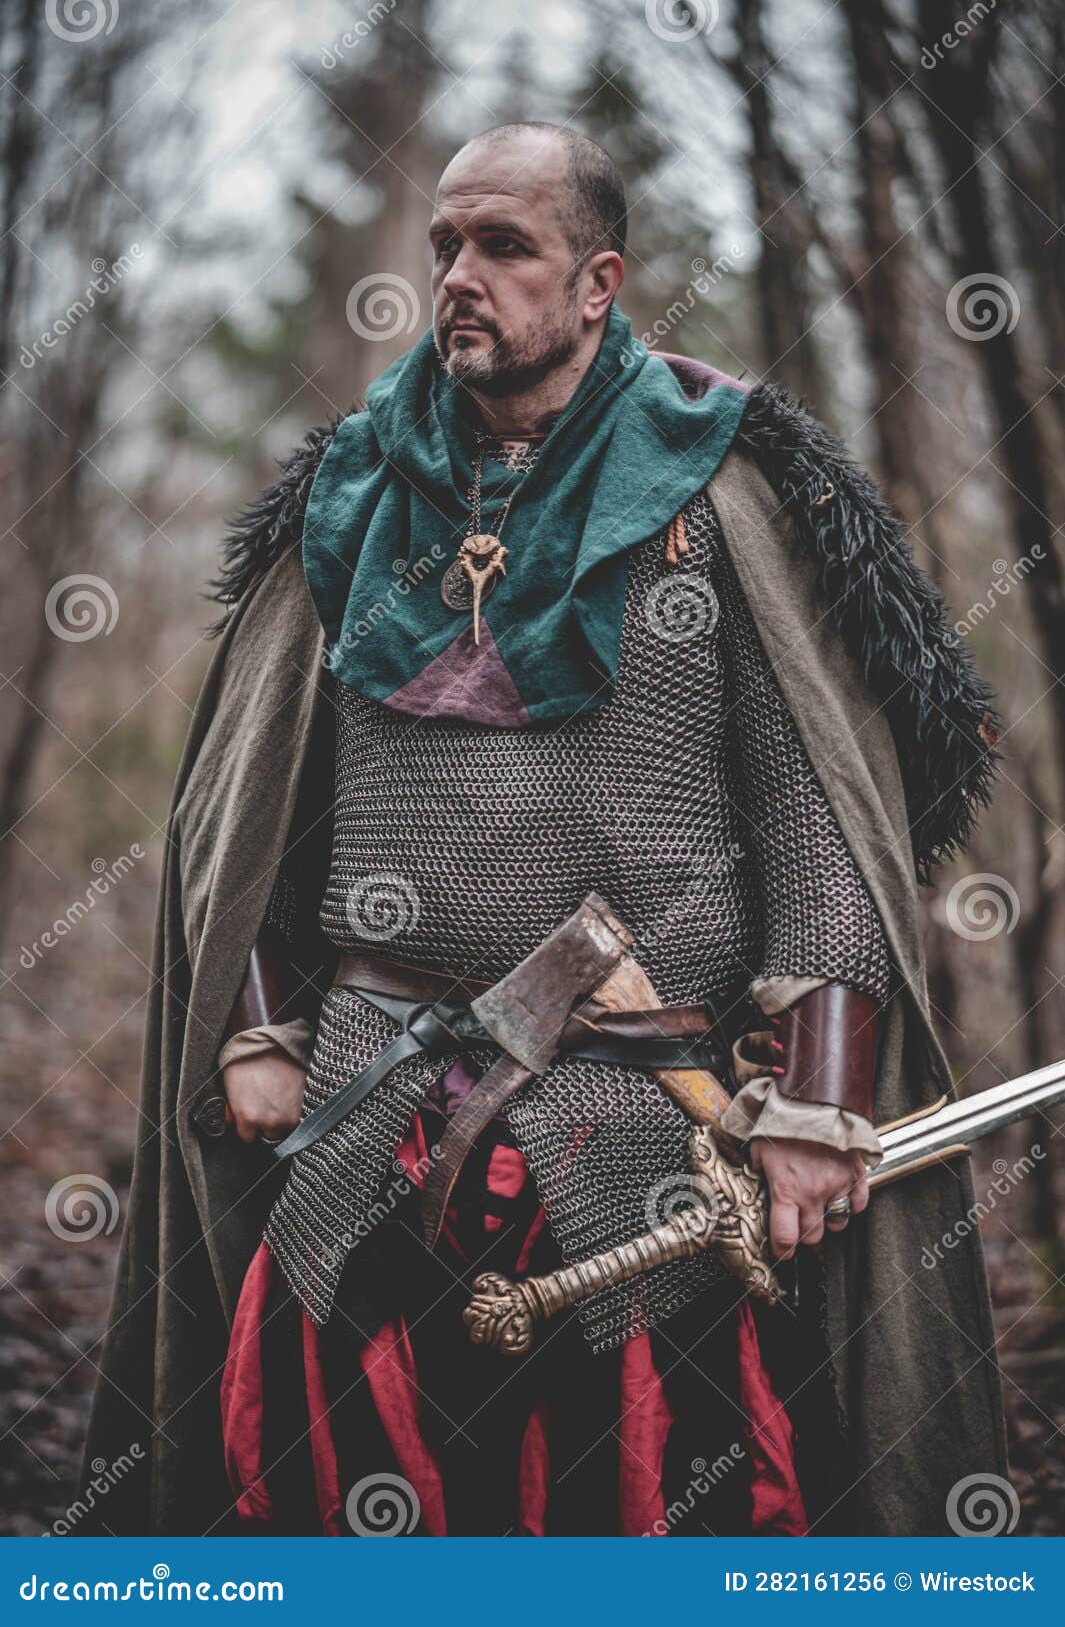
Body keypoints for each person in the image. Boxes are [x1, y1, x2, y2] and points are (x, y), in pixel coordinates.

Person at [82, 123, 1005, 1537]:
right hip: (365, 1104)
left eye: (503, 245)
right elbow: (257, 808)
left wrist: (818, 1108)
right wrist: (261, 1020)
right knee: (348, 1513)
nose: (460, 273)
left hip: (640, 1120)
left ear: (597, 282)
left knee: (638, 1510)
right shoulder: (351, 497)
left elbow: (820, 819)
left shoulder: (717, 491)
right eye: (446, 242)